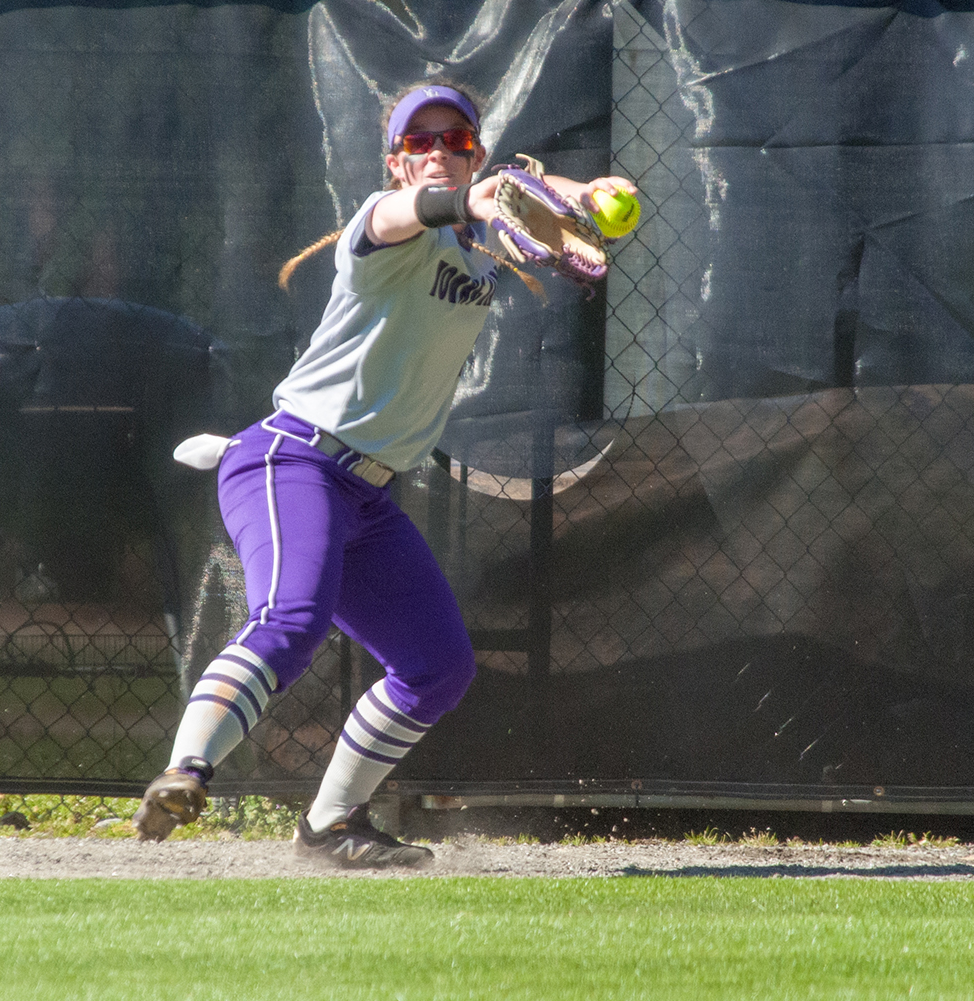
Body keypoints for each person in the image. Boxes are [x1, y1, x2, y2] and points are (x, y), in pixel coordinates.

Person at [134, 83, 638, 866]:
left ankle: (330, 825)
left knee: (438, 668)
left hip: (367, 493)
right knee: (291, 620)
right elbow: (441, 207)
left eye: (454, 140)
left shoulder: (481, 241)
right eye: (419, 142)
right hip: (290, 460)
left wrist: (590, 191)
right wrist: (480, 196)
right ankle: (185, 769)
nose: (437, 151)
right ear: (395, 162)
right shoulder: (381, 225)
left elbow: (522, 194)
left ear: (474, 151)